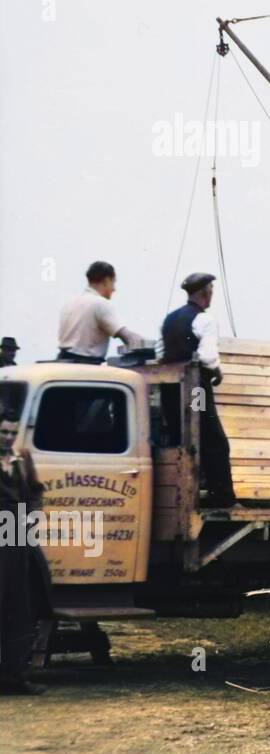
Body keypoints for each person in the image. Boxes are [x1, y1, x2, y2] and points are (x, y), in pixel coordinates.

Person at [157, 273, 235, 508]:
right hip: (195, 389)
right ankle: (221, 498)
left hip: (170, 389)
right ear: (205, 293)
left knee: (178, 438)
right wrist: (217, 372)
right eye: (210, 291)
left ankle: (179, 495)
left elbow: (160, 353)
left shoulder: (169, 320)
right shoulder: (205, 320)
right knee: (214, 439)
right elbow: (208, 357)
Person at [0, 412, 51, 695]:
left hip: (18, 536)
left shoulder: (22, 458)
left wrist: (33, 514)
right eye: (3, 432)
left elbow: (34, 491)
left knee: (19, 605)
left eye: (12, 433)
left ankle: (13, 677)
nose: (8, 438)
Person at [56, 261, 146, 363]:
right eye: (113, 283)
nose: (114, 289)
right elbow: (128, 337)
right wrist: (153, 347)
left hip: (62, 363)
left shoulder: (69, 303)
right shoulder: (100, 303)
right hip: (85, 365)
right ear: (106, 281)